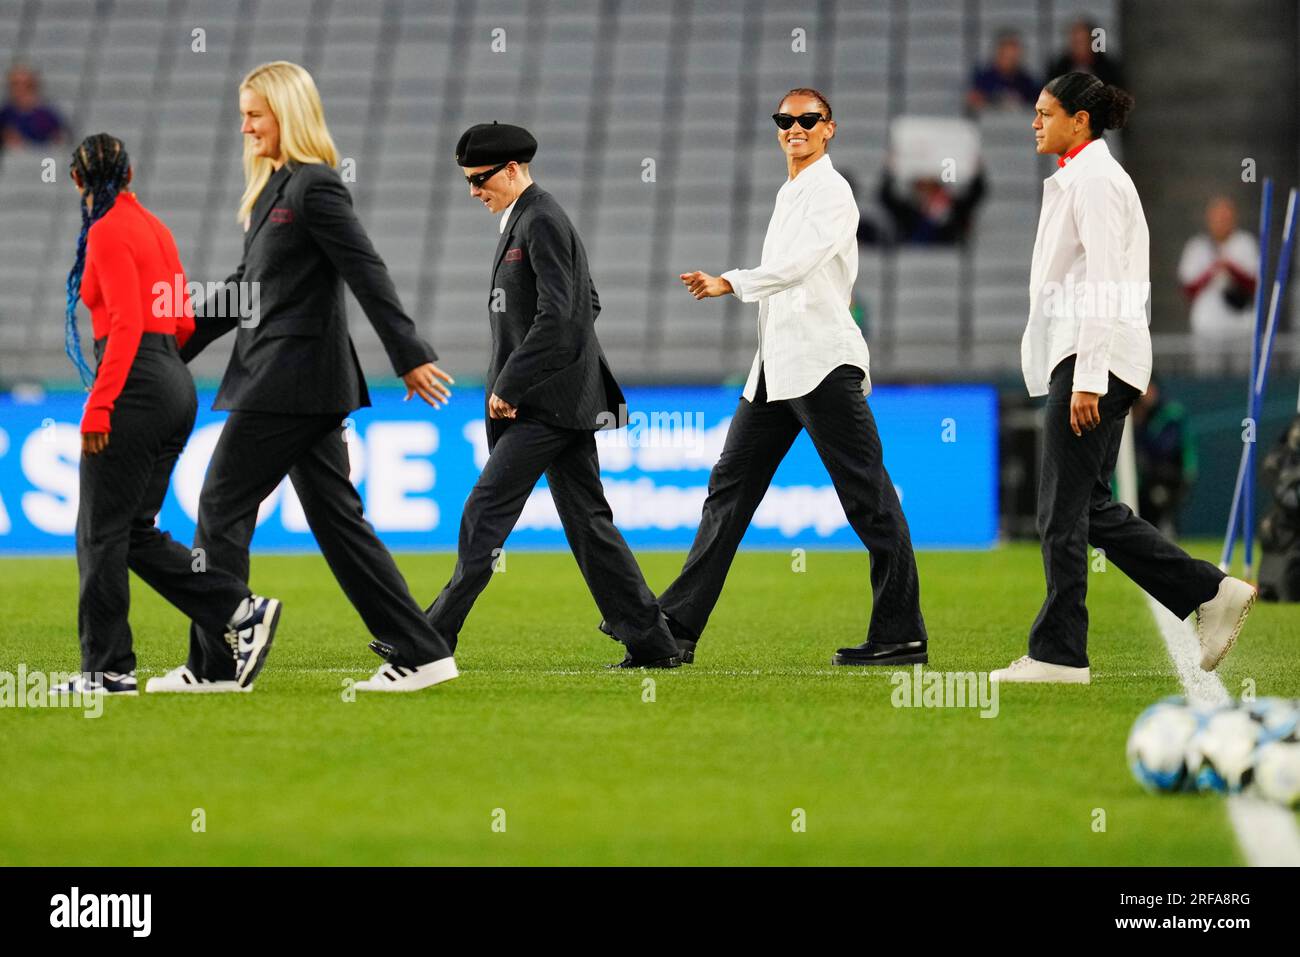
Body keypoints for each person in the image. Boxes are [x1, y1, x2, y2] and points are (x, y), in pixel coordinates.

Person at [158, 61, 458, 694]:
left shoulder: (315, 187)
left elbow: (366, 268)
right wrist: (171, 343)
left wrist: (409, 352)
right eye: (243, 114)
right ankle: (422, 651)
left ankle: (215, 665)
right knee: (337, 520)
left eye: (255, 114)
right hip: (296, 383)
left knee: (221, 507)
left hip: (290, 380)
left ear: (287, 114)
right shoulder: (274, 191)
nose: (244, 127)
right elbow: (245, 290)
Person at [997, 73, 1254, 684]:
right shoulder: (1084, 176)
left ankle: (1060, 654)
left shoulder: (1097, 180)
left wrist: (1087, 376)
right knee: (1087, 508)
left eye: (1045, 112)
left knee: (1060, 512)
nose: (1034, 121)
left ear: (1079, 121)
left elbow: (1108, 281)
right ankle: (1209, 593)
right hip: (1093, 357)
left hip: (1092, 360)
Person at [660, 88, 929, 667]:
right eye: (786, 120)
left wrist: (730, 281)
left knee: (870, 501)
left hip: (822, 366)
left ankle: (902, 634)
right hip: (776, 371)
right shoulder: (792, 192)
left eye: (808, 119)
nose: (795, 128)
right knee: (727, 494)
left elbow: (799, 266)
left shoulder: (832, 192)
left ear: (830, 128)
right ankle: (674, 630)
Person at [430, 121, 681, 669]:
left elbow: (563, 314)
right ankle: (653, 642)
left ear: (513, 169)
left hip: (543, 406)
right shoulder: (527, 218)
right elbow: (585, 304)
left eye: (479, 179)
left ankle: (430, 636)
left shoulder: (540, 219)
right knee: (590, 524)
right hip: (561, 401)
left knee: (485, 510)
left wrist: (515, 381)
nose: (474, 190)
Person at [51, 133, 278, 697]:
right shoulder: (156, 228)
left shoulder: (104, 232)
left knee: (99, 534)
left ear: (78, 182)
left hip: (132, 380)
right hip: (173, 379)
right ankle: (240, 609)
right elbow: (177, 323)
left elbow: (125, 322)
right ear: (129, 176)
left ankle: (106, 670)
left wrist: (99, 405)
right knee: (131, 531)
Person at [1177, 196, 1259, 374]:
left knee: (1243, 377)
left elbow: (1254, 284)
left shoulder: (1244, 242)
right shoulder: (1197, 246)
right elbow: (1188, 288)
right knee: (1208, 378)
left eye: (1226, 217)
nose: (1222, 222)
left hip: (1241, 325)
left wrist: (1231, 267)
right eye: (1218, 217)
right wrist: (1212, 270)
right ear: (1209, 219)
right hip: (1208, 326)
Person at [1132, 376, 1197, 537]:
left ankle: (1168, 538)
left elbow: (1165, 448)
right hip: (1147, 479)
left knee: (1162, 513)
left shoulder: (1171, 413)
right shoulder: (1137, 414)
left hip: (1173, 475)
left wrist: (1140, 426)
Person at [967, 30, 1040, 113]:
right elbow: (973, 102)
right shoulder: (983, 78)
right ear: (998, 53)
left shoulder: (1026, 82)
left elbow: (1037, 105)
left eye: (1013, 57)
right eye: (1006, 56)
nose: (1010, 60)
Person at [0, 64, 68, 148]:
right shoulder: (5, 114)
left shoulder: (47, 115)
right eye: (15, 84)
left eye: (26, 85)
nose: (20, 89)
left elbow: (60, 140)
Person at [1046, 19, 1123, 88]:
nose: (1077, 47)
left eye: (1082, 42)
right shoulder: (1059, 69)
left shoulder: (1108, 70)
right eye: (1074, 42)